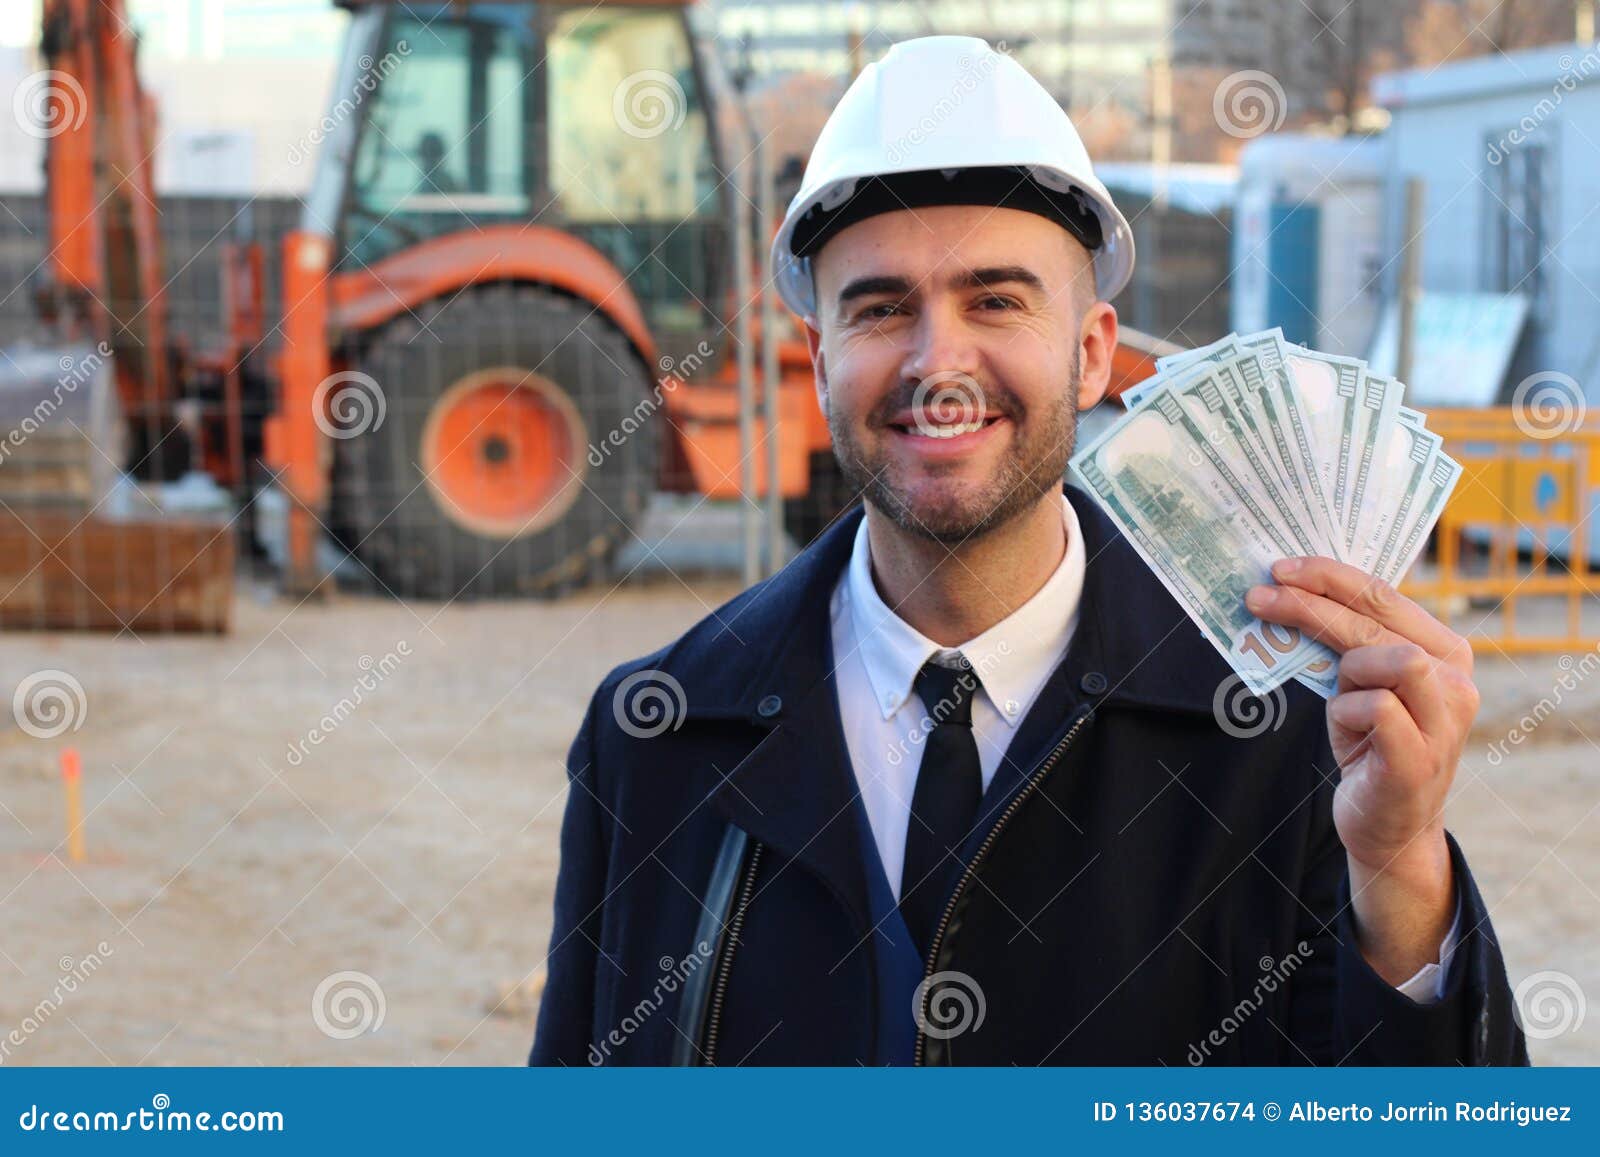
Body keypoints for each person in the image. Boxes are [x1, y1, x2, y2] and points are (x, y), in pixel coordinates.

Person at [529, 35, 1525, 1066]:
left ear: (1091, 353)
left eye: (996, 301)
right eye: (882, 309)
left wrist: (1402, 871)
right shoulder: (656, 737)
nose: (938, 363)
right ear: (820, 361)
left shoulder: (1286, 732)